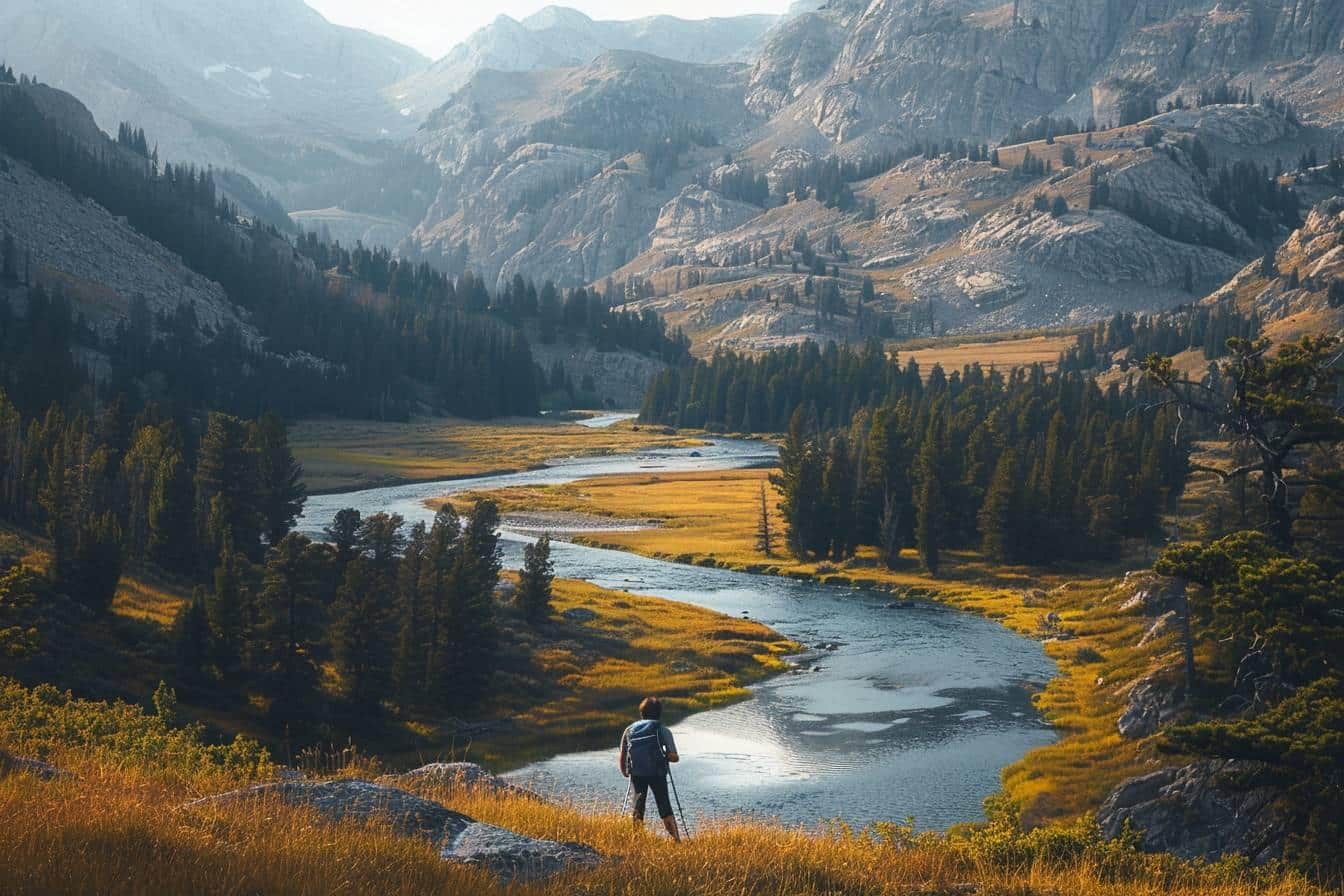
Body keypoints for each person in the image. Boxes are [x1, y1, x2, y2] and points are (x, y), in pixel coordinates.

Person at [618, 696, 680, 840]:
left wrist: (625, 771)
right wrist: (667, 756)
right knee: (665, 807)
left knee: (638, 807)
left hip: (637, 773)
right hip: (657, 773)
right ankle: (676, 840)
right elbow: (674, 756)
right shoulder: (662, 729)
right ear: (659, 712)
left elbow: (623, 754)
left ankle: (636, 839)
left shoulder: (630, 729)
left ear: (642, 712)